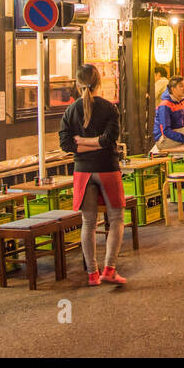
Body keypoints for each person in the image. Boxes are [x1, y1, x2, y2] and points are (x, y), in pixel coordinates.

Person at [58, 64, 127, 284]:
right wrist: (97, 143)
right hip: (107, 167)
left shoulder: (70, 111)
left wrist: (83, 142)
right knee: (116, 218)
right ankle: (110, 269)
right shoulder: (110, 108)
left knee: (88, 223)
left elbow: (66, 143)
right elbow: (109, 140)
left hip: (83, 171)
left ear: (77, 85)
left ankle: (92, 274)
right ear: (98, 83)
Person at [151, 77, 184, 152]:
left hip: (175, 136)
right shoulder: (165, 105)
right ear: (173, 89)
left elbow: (183, 126)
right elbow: (166, 131)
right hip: (163, 140)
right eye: (181, 86)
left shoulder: (182, 102)